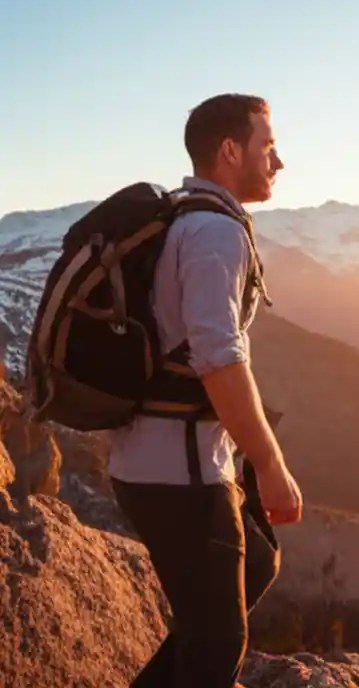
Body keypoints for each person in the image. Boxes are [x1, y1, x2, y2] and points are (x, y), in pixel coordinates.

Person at [108, 93, 304, 687]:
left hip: (155, 459)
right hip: (180, 471)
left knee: (254, 567)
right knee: (219, 642)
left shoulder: (181, 221)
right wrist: (269, 463)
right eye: (267, 146)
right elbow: (219, 361)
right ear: (229, 150)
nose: (278, 161)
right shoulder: (214, 235)